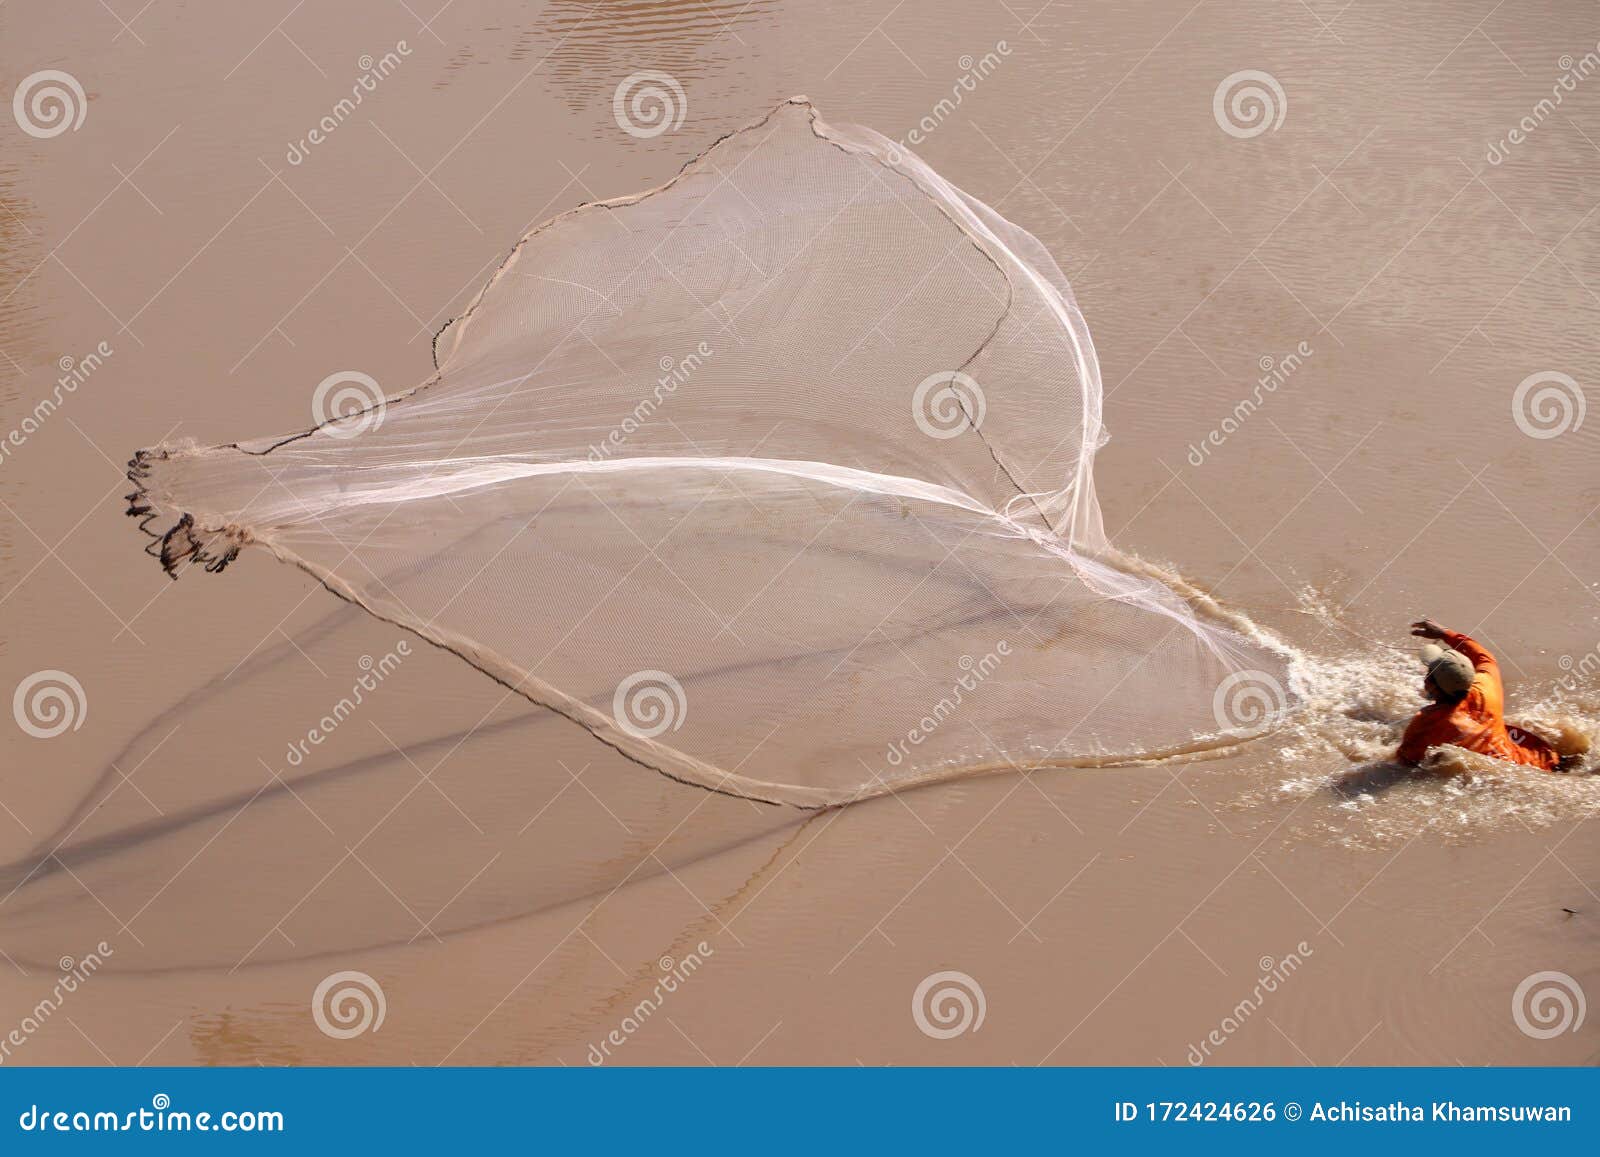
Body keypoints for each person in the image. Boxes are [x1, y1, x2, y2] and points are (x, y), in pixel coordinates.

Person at [1396, 619, 1561, 770]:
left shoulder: (1427, 721)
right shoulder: (1485, 685)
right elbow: (1485, 658)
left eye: (1429, 673)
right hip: (1539, 760)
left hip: (1496, 777)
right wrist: (1445, 633)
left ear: (1430, 684)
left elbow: (1404, 761)